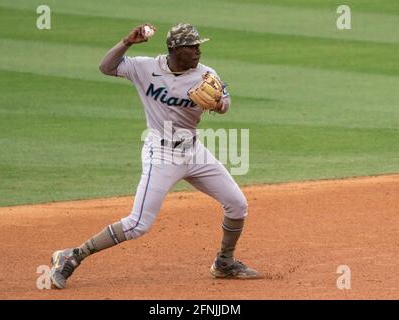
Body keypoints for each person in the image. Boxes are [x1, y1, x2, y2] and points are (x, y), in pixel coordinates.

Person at [50, 23, 259, 289]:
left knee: (237, 204)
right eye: (191, 46)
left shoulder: (206, 74)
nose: (198, 51)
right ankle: (72, 255)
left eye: (198, 45)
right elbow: (106, 67)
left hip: (194, 151)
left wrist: (218, 104)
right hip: (161, 153)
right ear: (174, 49)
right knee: (138, 224)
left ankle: (224, 263)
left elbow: (225, 104)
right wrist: (127, 41)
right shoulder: (144, 67)